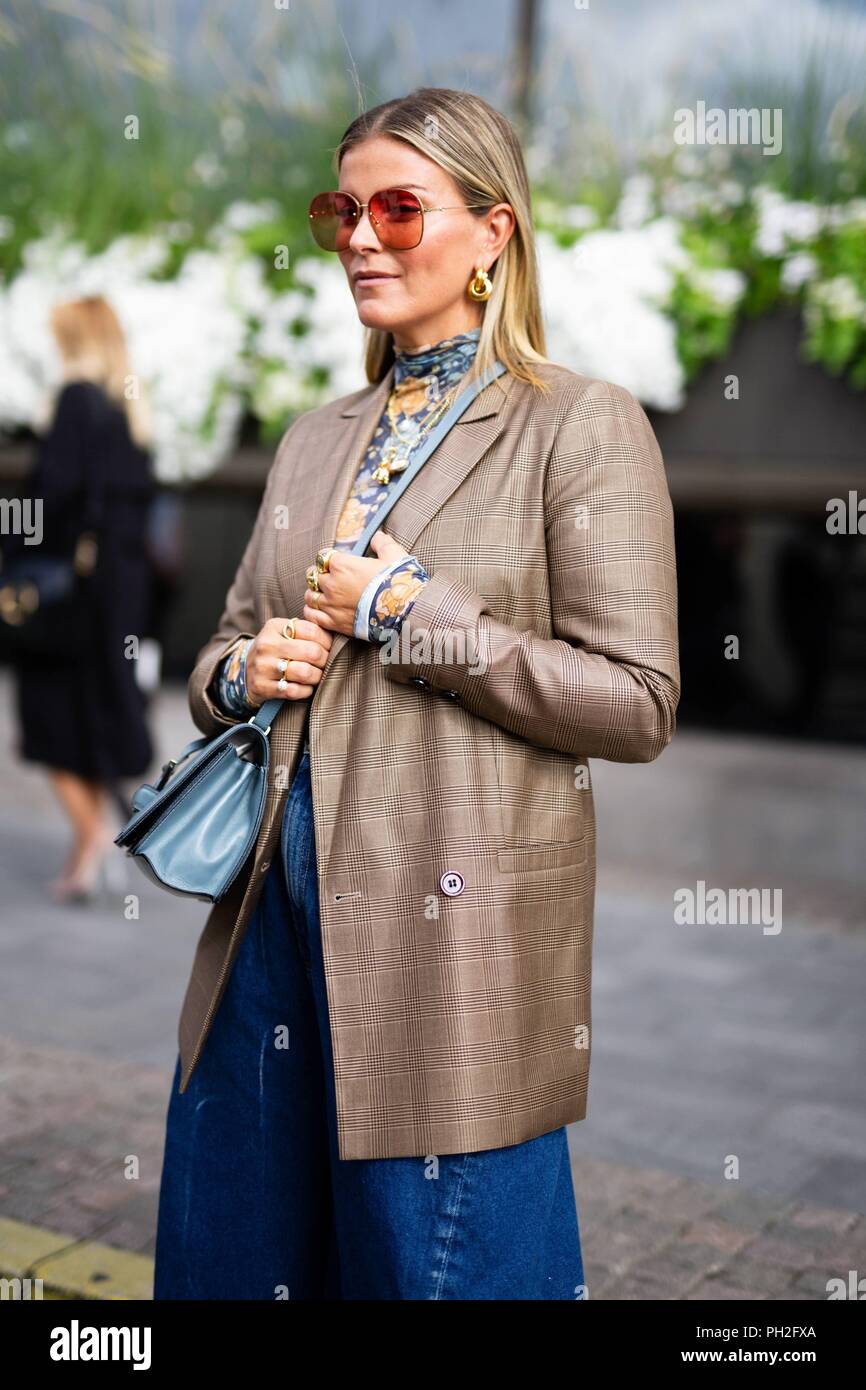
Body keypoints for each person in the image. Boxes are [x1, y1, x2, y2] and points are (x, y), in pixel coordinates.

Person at [154, 87, 680, 1300]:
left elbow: (636, 701)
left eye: (399, 207)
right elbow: (219, 653)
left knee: (436, 1267)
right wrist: (243, 671)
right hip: (262, 928)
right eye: (343, 208)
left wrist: (414, 614)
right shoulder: (313, 437)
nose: (358, 237)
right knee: (234, 1256)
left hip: (446, 937)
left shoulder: (578, 427)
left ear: (492, 234)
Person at [9, 296, 156, 901]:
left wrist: (11, 540)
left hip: (68, 598)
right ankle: (91, 845)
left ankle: (92, 835)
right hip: (115, 594)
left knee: (46, 718)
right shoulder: (128, 409)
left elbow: (48, 501)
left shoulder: (73, 401)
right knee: (90, 717)